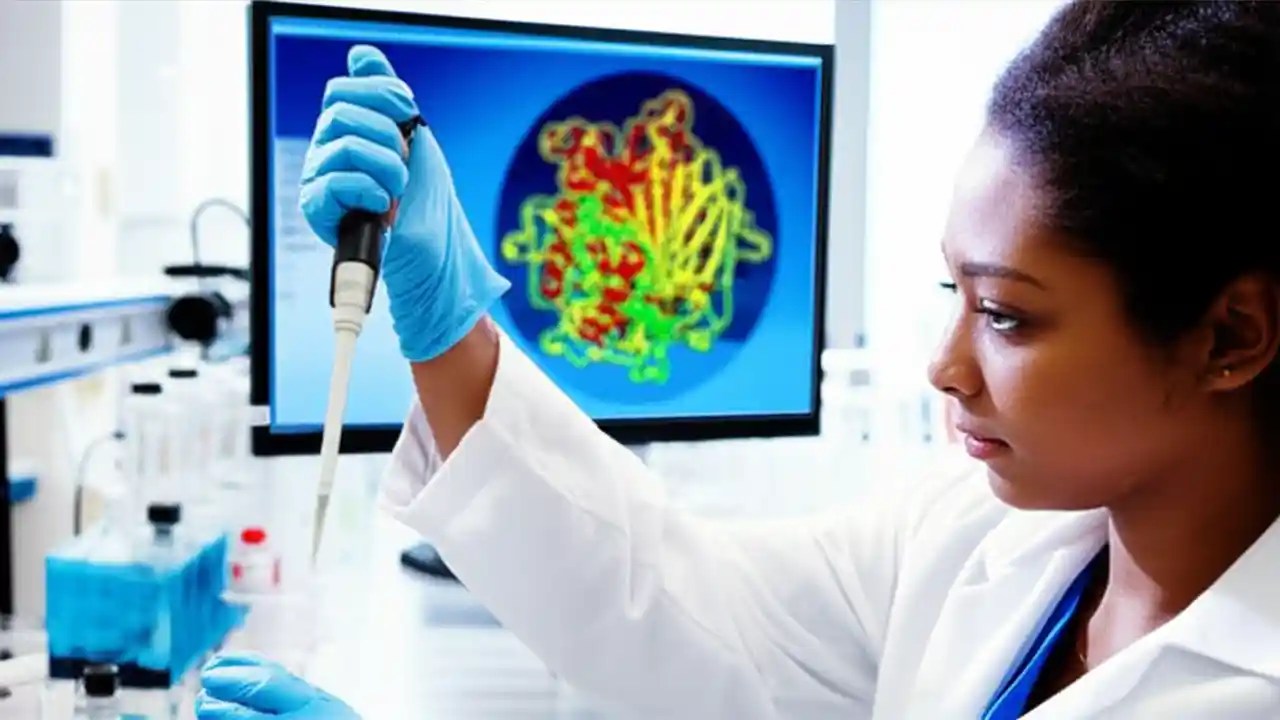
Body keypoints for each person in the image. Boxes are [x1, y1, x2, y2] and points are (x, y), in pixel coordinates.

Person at [196, 2, 1280, 718]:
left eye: (1004, 314)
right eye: (952, 292)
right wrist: (445, 328)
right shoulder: (979, 535)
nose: (942, 366)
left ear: (1228, 336)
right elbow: (695, 610)